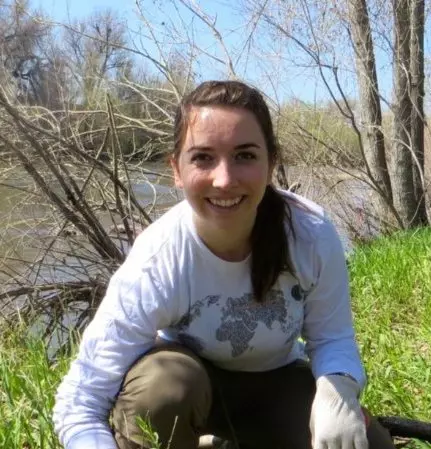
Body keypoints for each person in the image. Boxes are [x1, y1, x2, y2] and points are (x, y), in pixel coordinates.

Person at [53, 80, 394, 449]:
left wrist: (336, 391)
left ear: (272, 162)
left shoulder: (310, 234)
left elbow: (332, 337)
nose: (225, 180)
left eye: (245, 155)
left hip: (276, 380)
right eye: (202, 157)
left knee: (371, 445)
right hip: (188, 389)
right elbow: (80, 403)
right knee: (163, 392)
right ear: (176, 169)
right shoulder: (157, 258)